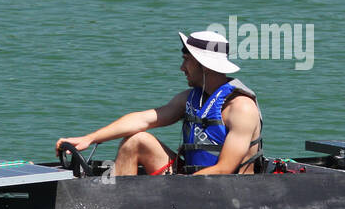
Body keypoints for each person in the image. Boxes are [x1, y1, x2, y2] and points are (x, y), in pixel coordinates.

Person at [55, 31, 263, 176]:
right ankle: (118, 205)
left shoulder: (241, 108)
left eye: (186, 60)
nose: (182, 68)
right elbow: (141, 120)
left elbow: (225, 169)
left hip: (228, 191)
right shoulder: (191, 98)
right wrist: (89, 138)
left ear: (204, 66)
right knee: (136, 140)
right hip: (191, 181)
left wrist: (177, 185)